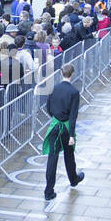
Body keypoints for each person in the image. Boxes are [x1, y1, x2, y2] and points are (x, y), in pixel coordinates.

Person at [42, 64, 85, 204]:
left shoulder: (54, 88)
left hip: (55, 125)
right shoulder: (74, 92)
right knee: (69, 154)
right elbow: (73, 116)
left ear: (61, 73)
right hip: (66, 127)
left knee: (52, 157)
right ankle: (73, 179)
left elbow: (48, 107)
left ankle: (48, 191)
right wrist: (72, 135)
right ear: (72, 74)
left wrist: (55, 117)